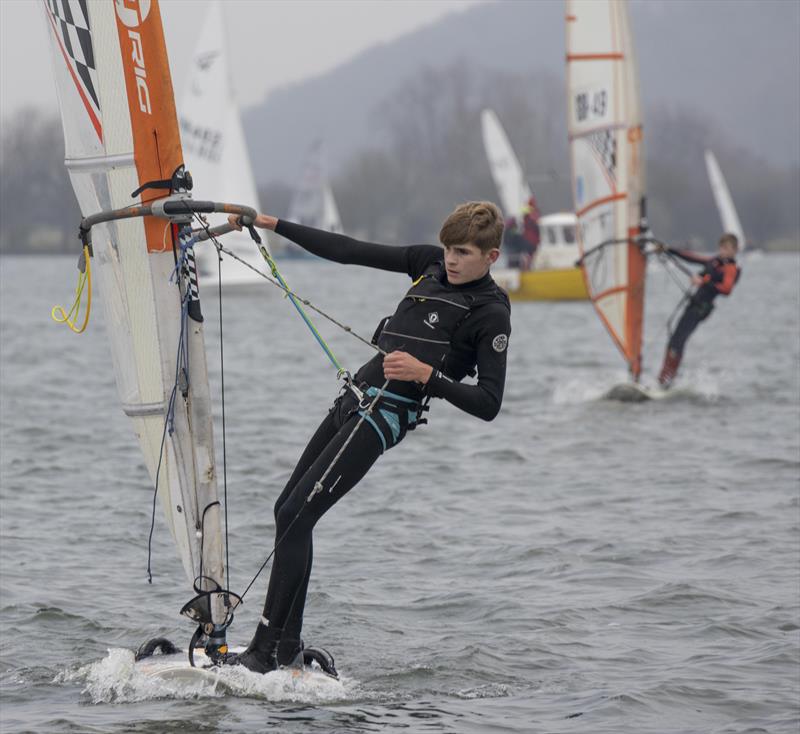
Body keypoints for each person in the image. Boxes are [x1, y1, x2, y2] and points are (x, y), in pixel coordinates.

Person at [224, 201, 511, 673]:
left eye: (462, 252)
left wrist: (426, 376)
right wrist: (271, 224)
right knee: (286, 511)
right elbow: (349, 250)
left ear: (491, 256)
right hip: (355, 395)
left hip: (386, 416)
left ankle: (261, 652)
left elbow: (489, 403)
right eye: (448, 249)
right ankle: (285, 648)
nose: (452, 260)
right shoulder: (428, 266)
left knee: (298, 514)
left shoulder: (491, 313)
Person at [657, 233, 741, 387]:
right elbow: (692, 257)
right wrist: (669, 250)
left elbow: (727, 289)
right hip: (694, 304)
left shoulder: (730, 268)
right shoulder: (715, 261)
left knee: (678, 341)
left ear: (735, 250)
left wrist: (703, 281)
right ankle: (664, 378)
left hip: (702, 308)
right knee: (674, 341)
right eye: (722, 247)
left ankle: (667, 380)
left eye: (727, 249)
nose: (723, 251)